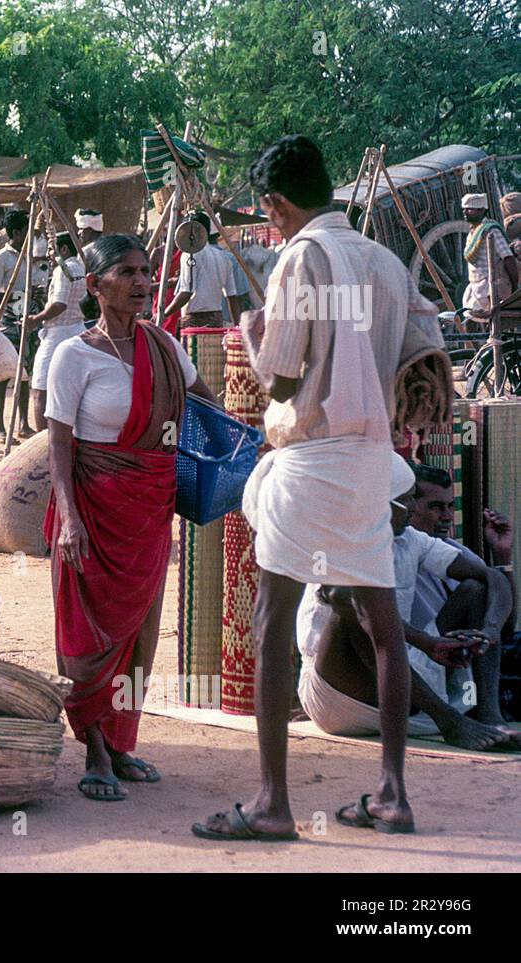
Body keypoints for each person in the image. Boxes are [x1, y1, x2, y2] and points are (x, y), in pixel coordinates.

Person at [194, 135, 450, 842]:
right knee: (385, 626)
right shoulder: (386, 262)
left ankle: (272, 802)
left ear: (275, 203)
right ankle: (392, 793)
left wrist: (251, 331)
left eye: (267, 212)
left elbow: (277, 377)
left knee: (274, 618)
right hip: (372, 459)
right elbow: (422, 351)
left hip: (310, 458)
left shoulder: (299, 257)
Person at [44, 234, 218, 801]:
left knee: (139, 633)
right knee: (88, 634)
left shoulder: (165, 345)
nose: (144, 283)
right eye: (128, 273)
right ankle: (93, 749)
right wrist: (69, 519)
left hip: (148, 512)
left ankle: (122, 744)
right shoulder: (74, 355)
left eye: (147, 272)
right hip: (92, 512)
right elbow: (59, 449)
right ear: (95, 286)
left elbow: (207, 401)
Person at [295, 456, 520, 751]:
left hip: (404, 677)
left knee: (476, 589)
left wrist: (490, 632)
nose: (412, 508)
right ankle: (451, 723)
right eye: (406, 500)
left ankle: (490, 715)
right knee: (350, 603)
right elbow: (348, 602)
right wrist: (428, 642)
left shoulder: (412, 540)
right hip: (341, 695)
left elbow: (492, 579)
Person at [406, 463, 514, 728]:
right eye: (435, 507)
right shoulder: (398, 549)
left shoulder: (455, 552)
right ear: (408, 506)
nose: (446, 516)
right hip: (413, 664)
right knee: (474, 590)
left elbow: (507, 627)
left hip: (457, 668)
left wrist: (502, 557)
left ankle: (490, 713)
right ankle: (490, 716)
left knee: (482, 589)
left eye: (449, 507)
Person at [27, 233, 89, 432]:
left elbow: (59, 304)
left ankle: (42, 439)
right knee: (68, 388)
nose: (50, 256)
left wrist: (35, 319)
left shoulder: (64, 270)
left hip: (58, 333)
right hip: (77, 328)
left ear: (63, 250)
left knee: (40, 388)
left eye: (52, 251)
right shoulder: (81, 267)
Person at [0, 210, 36, 442]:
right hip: (6, 320)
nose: (30, 236)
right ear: (17, 233)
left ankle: (24, 423)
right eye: (27, 232)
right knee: (4, 372)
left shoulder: (27, 257)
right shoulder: (1, 259)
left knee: (24, 373)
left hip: (25, 317)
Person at [164, 211, 242, 326]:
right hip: (217, 319)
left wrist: (163, 314)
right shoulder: (224, 257)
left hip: (194, 320)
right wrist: (237, 326)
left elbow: (186, 292)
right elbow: (232, 297)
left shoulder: (190, 254)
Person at [461, 194, 517, 323]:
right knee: (470, 321)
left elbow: (508, 258)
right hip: (476, 288)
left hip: (491, 289)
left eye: (470, 209)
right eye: (464, 209)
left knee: (494, 325)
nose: (465, 212)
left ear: (481, 210)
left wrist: (514, 286)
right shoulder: (473, 233)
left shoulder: (491, 232)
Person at [211, 232, 252, 324]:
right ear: (218, 235)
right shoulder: (230, 258)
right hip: (226, 321)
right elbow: (242, 296)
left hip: (196, 322)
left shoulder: (191, 258)